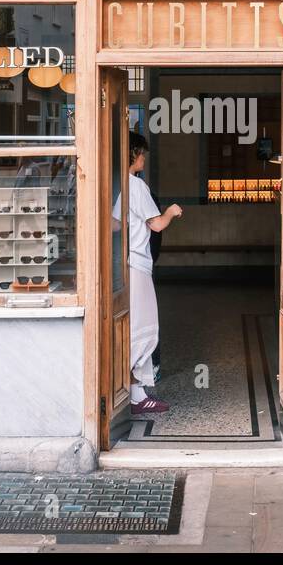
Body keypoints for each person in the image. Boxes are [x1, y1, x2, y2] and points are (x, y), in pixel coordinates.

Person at [115, 131, 182, 416]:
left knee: (134, 327)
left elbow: (115, 225)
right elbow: (156, 225)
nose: (143, 157)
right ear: (133, 154)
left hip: (125, 264)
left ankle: (133, 392)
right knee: (145, 328)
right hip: (138, 265)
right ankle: (135, 394)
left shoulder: (121, 186)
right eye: (141, 152)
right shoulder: (137, 186)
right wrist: (171, 211)